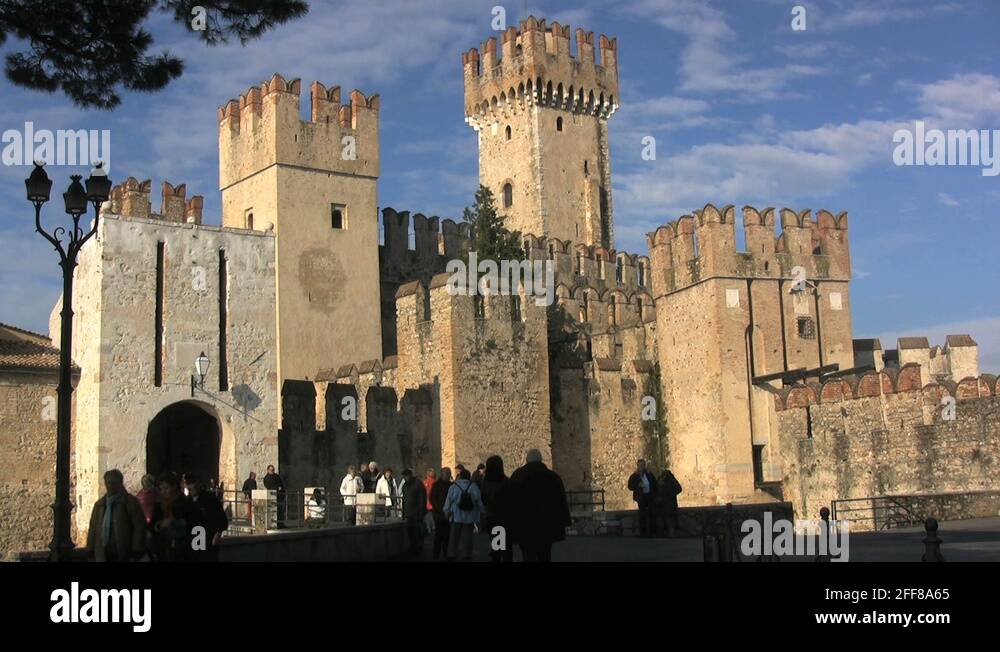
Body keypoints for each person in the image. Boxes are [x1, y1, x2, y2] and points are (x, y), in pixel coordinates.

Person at [508, 449, 571, 562]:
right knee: (545, 555)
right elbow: (560, 501)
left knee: (528, 555)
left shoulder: (517, 476)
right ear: (541, 460)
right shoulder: (552, 477)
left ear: (527, 460)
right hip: (546, 525)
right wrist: (564, 521)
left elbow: (510, 501)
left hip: (524, 525)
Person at [86, 469, 146, 562]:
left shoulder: (129, 502)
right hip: (103, 551)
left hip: (123, 549)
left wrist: (137, 549)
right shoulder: (100, 504)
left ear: (120, 483)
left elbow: (139, 526)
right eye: (108, 483)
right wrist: (90, 548)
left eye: (113, 483)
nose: (110, 486)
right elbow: (93, 528)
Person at [151, 472, 204, 562]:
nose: (163, 491)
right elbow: (152, 525)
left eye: (166, 488)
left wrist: (177, 522)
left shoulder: (186, 504)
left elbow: (196, 524)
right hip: (164, 550)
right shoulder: (159, 506)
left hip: (184, 550)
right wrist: (160, 525)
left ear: (174, 487)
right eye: (161, 489)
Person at [183, 473, 229, 561]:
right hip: (192, 543)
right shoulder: (187, 501)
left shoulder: (210, 499)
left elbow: (223, 520)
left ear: (198, 484)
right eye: (188, 483)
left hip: (208, 542)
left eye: (192, 483)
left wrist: (217, 534)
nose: (190, 486)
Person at [443, 468, 484, 561]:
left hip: (456, 516)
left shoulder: (454, 486)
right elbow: (479, 502)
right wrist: (482, 512)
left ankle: (452, 554)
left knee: (454, 537)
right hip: (469, 517)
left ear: (460, 476)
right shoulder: (473, 487)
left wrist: (446, 511)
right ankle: (467, 554)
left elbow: (448, 501)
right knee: (468, 536)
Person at [480, 455, 513, 562]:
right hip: (504, 517)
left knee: (496, 547)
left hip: (492, 517)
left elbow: (483, 500)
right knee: (506, 548)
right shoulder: (506, 481)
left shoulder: (485, 483)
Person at [627, 458, 659, 536]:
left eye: (643, 465)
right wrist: (638, 484)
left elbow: (655, 484)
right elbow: (630, 486)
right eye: (640, 465)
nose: (642, 467)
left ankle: (653, 531)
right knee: (642, 514)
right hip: (641, 497)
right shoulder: (634, 476)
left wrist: (656, 495)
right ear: (637, 466)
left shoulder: (649, 474)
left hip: (650, 496)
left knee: (652, 513)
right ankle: (643, 531)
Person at [399, 469, 427, 556]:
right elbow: (404, 500)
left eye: (406, 475)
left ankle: (418, 548)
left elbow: (422, 499)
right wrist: (403, 513)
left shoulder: (418, 484)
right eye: (404, 476)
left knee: (417, 532)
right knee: (410, 532)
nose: (405, 477)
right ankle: (412, 547)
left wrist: (421, 512)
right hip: (409, 513)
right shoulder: (405, 485)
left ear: (410, 475)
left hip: (417, 512)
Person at [429, 467, 452, 560]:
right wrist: (441, 510)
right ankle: (436, 554)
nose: (449, 475)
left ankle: (446, 553)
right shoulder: (436, 485)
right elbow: (432, 499)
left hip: (447, 515)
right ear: (442, 474)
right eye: (447, 474)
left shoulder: (451, 485)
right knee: (439, 535)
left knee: (447, 536)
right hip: (439, 514)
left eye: (449, 474)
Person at [658, 468, 683, 535]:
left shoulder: (666, 481)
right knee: (670, 518)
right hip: (671, 504)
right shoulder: (673, 480)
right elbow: (679, 489)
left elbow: (661, 491)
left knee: (668, 518)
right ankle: (671, 532)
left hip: (666, 504)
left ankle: (670, 532)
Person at [422, 468, 437, 535]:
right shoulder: (436, 483)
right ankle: (433, 527)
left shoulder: (424, 482)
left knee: (427, 516)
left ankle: (429, 528)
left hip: (426, 503)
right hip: (434, 504)